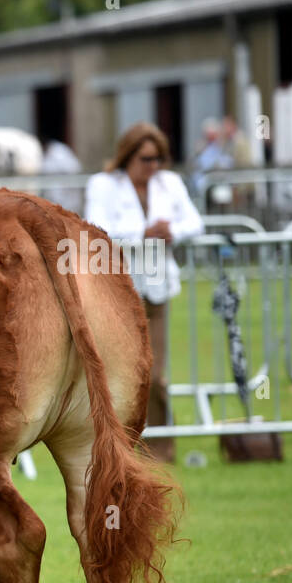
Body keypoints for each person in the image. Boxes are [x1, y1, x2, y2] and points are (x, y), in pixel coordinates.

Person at [85, 121, 203, 464]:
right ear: (128, 156)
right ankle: (116, 450)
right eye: (147, 159)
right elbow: (96, 227)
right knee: (122, 374)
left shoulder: (170, 183)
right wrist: (143, 231)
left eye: (159, 159)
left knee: (154, 376)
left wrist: (171, 231)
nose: (154, 166)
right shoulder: (104, 184)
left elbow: (195, 223)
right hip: (119, 292)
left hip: (158, 290)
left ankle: (160, 453)